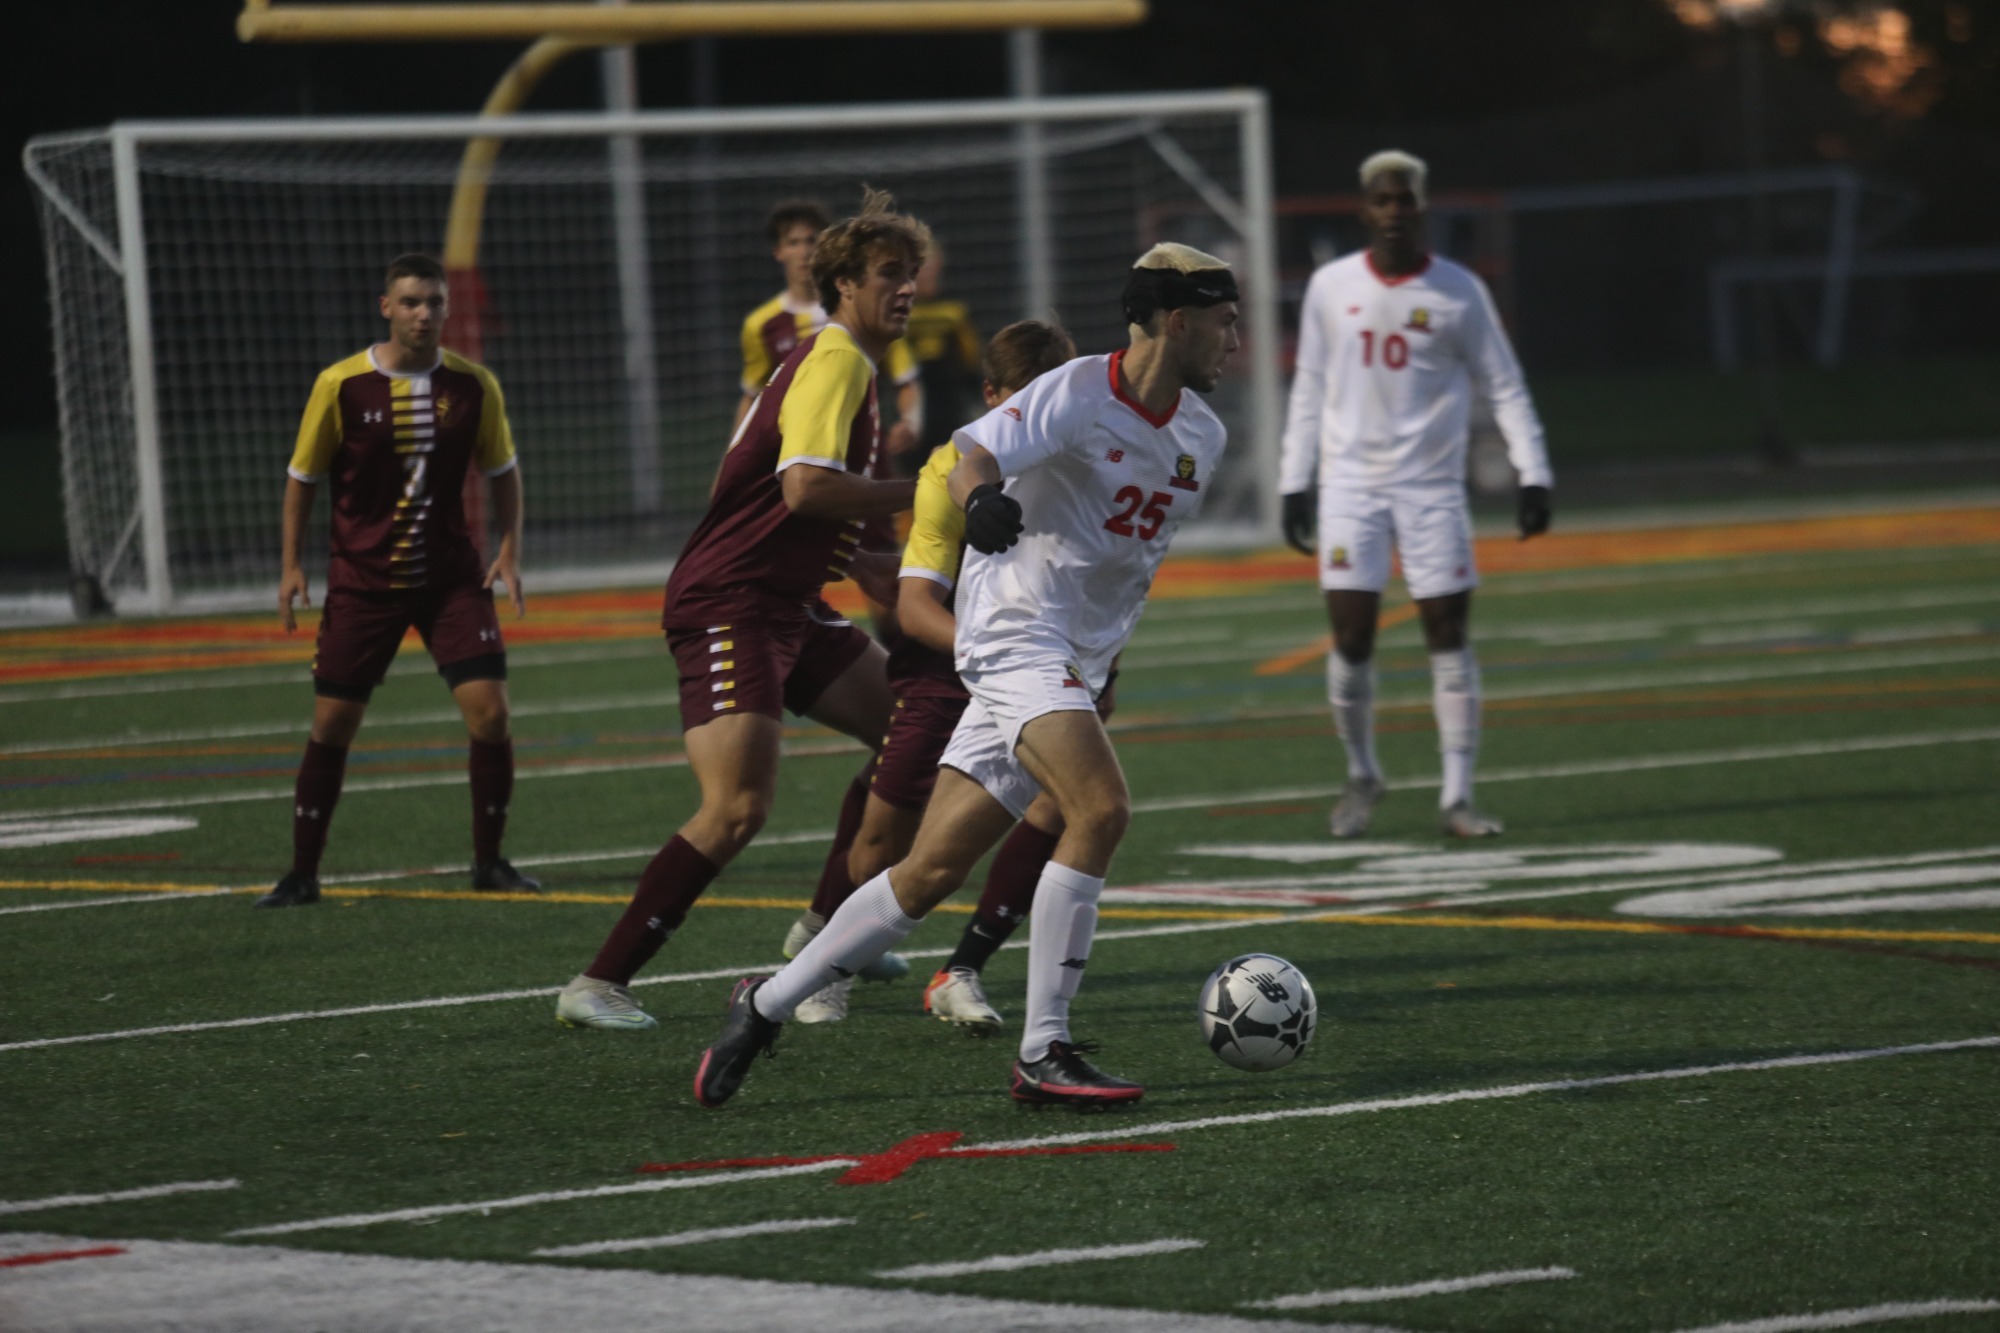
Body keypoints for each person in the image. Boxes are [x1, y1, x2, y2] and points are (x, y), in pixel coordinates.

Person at [693, 242, 1239, 1109]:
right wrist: (981, 496)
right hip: (1016, 636)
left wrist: (1102, 663)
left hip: (1068, 657)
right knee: (1100, 809)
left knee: (927, 873)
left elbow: (1123, 564)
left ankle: (762, 1003)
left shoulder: (1203, 435)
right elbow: (974, 447)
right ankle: (1044, 1048)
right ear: (1176, 322)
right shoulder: (1077, 390)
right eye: (1223, 319)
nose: (1236, 339)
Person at [554, 190, 924, 1031]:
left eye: (913, 274)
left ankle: (826, 931)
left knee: (919, 737)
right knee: (736, 807)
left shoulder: (843, 363)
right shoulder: (837, 360)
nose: (907, 289)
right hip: (733, 600)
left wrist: (887, 563)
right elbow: (805, 489)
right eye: (889, 274)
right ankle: (598, 981)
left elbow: (814, 513)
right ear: (841, 284)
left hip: (784, 601)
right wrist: (934, 487)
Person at [781, 318, 1086, 1029]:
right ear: (993, 398)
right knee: (892, 840)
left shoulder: (1081, 460)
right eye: (1024, 399)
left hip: (1044, 671)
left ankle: (965, 969)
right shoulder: (954, 468)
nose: (1041, 416)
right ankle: (825, 966)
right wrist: (1010, 657)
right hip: (948, 674)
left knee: (1068, 805)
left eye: (1056, 398)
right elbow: (916, 611)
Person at [1277, 150, 1553, 841]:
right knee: (1350, 634)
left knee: (1447, 631)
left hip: (1431, 489)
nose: (1393, 211)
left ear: (1421, 208)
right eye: (1381, 199)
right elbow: (1308, 386)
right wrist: (1294, 479)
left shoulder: (1459, 291)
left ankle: (1457, 794)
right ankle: (1363, 771)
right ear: (1363, 209)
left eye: (1405, 200)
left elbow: (1505, 384)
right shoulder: (1331, 286)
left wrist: (1534, 469)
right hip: (1349, 487)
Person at [260, 253, 535, 909]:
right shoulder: (342, 384)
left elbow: (504, 471)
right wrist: (292, 564)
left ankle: (490, 861)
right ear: (386, 306)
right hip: (363, 581)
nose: (424, 313)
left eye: (435, 302)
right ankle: (302, 873)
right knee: (333, 723)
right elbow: (303, 477)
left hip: (451, 580)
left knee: (492, 713)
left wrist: (509, 549)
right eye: (411, 301)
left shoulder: (473, 385)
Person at [735, 199, 924, 466]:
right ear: (778, 251)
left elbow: (906, 380)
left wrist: (911, 422)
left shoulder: (870, 315)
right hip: (796, 460)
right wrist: (734, 457)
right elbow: (752, 397)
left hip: (865, 454)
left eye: (812, 240)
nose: (804, 251)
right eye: (794, 242)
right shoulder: (763, 324)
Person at [899, 241, 983, 472]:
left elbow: (971, 360)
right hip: (909, 401)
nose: (925, 273)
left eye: (930, 265)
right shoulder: (898, 308)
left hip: (948, 401)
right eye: (919, 267)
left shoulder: (954, 308)